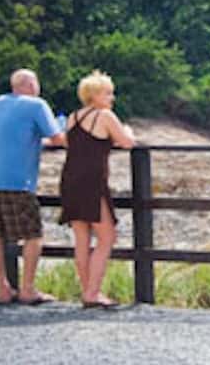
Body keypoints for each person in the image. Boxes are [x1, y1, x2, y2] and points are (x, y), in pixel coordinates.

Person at [0, 68, 66, 306]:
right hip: (16, 181)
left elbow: (18, 134)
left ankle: (3, 289)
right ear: (31, 84)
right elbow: (58, 138)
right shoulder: (37, 105)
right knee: (33, 235)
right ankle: (27, 289)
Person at [58, 70, 135, 309]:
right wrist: (128, 131)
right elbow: (127, 142)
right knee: (106, 237)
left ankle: (87, 291)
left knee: (81, 239)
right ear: (95, 95)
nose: (112, 97)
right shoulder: (105, 116)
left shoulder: (73, 117)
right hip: (92, 181)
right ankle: (93, 293)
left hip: (70, 179)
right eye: (108, 93)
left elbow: (71, 142)